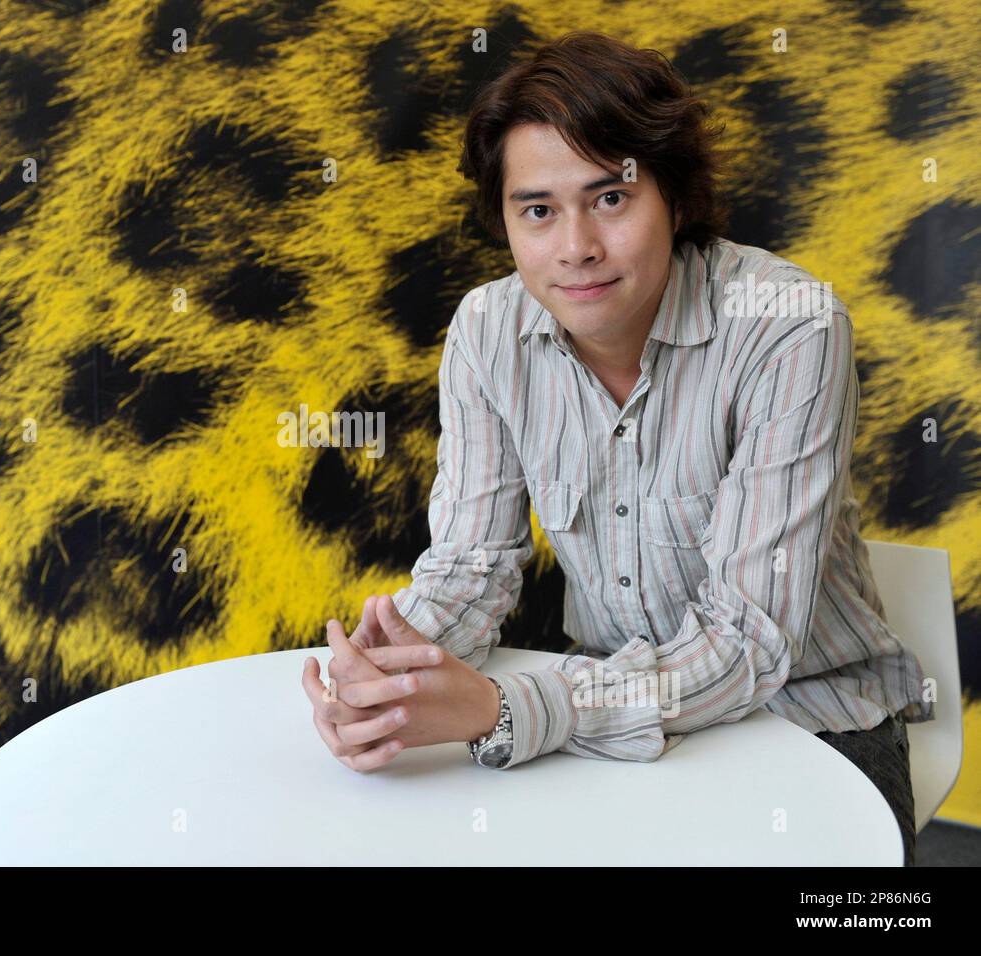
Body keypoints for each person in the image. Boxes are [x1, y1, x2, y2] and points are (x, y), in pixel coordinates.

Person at [299, 30, 934, 866]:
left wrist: (504, 709)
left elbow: (749, 638)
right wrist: (396, 674)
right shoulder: (488, 332)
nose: (575, 248)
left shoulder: (788, 327)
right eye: (537, 210)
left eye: (610, 199)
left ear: (673, 195)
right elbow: (472, 566)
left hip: (811, 715)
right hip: (607, 704)